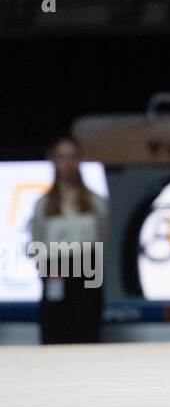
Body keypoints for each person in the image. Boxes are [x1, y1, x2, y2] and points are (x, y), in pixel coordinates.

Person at [27, 136, 108, 344]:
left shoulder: (95, 202)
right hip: (56, 272)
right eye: (62, 157)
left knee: (87, 332)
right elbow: (36, 243)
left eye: (72, 157)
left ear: (80, 159)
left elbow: (103, 238)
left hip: (87, 273)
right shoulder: (44, 205)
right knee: (55, 333)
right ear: (53, 160)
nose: (68, 164)